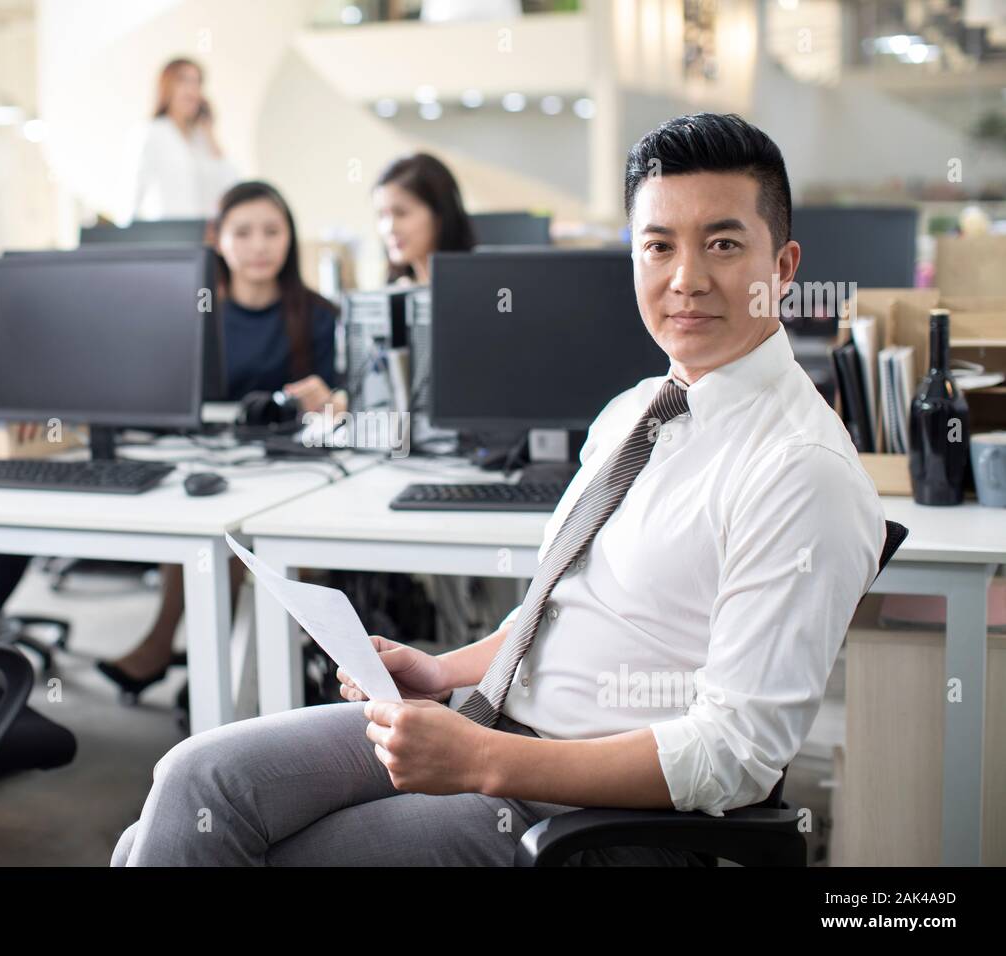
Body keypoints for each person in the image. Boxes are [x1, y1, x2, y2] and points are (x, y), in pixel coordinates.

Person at [111, 113, 886, 866]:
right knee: (190, 787)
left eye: (722, 243)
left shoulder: (800, 469)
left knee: (214, 847)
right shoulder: (633, 412)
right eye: (658, 245)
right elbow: (565, 608)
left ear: (782, 267)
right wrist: (448, 670)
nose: (686, 278)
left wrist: (483, 760)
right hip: (495, 729)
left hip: (599, 815)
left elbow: (734, 757)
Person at [97, 181, 340, 697]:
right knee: (204, 515)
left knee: (227, 530)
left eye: (272, 232)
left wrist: (332, 397)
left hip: (297, 472)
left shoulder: (317, 314)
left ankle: (194, 667)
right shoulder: (197, 312)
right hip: (216, 463)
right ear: (219, 240)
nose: (259, 246)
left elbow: (352, 402)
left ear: (290, 239)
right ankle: (208, 673)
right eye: (244, 232)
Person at [130, 58, 239, 222]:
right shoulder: (152, 132)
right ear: (167, 87)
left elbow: (232, 187)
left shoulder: (202, 140)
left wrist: (210, 134)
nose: (192, 90)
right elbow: (133, 192)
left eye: (197, 83)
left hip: (205, 235)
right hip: (168, 234)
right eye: (184, 81)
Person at [372, 152, 475, 285]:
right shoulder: (400, 288)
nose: (389, 228)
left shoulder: (475, 287)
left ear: (439, 215)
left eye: (401, 213)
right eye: (382, 215)